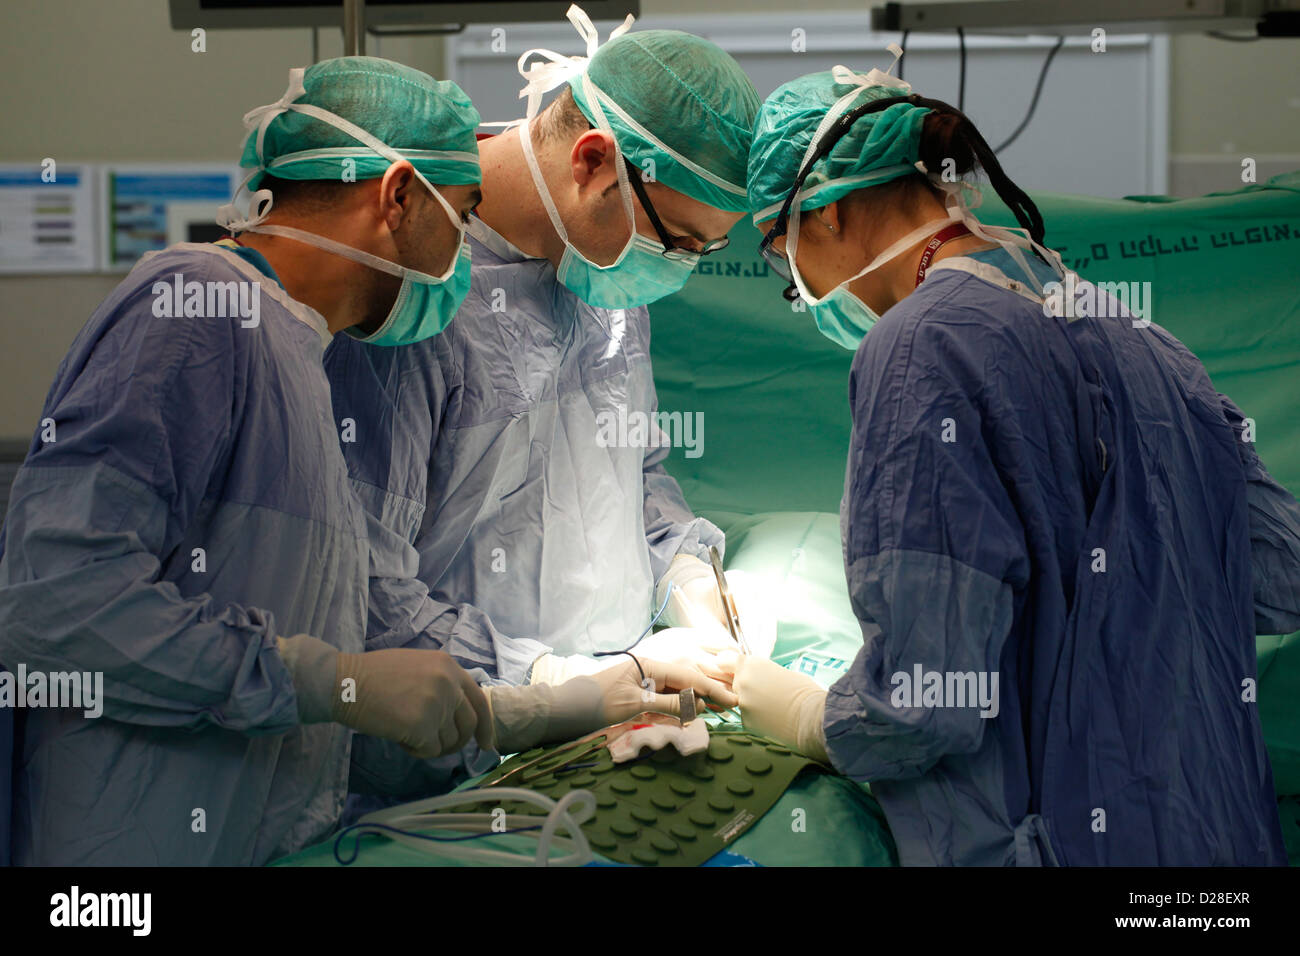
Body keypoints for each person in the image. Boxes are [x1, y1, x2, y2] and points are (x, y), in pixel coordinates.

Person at [0, 56, 730, 866]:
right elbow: (58, 600)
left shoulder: (299, 353)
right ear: (397, 198)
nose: (466, 257)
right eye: (461, 216)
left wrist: (535, 705)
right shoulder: (195, 309)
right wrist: (324, 679)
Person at [724, 57, 1300, 866]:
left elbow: (924, 704)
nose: (799, 286)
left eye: (780, 255)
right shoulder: (1136, 335)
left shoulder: (921, 346)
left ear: (822, 215)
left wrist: (803, 713)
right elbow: (1279, 571)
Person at [322, 5, 772, 745]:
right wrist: (552, 681)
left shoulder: (602, 267)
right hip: (456, 745)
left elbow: (638, 469)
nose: (680, 268)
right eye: (681, 242)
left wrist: (690, 579)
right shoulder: (417, 298)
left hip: (623, 712)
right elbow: (367, 590)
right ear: (594, 163)